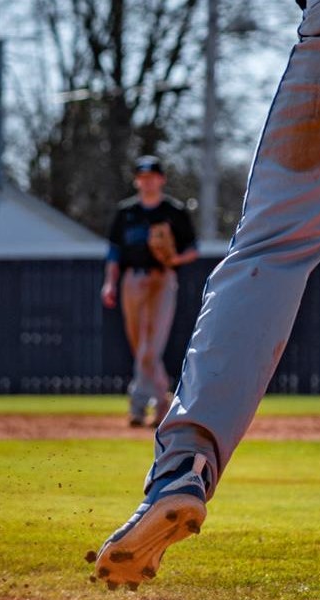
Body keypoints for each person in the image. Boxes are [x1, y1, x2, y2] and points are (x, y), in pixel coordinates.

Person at [90, 0, 320, 589]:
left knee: (270, 253)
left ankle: (184, 465)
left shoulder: (168, 210)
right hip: (132, 282)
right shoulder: (127, 212)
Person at [101, 156, 201, 428]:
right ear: (137, 181)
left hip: (162, 278)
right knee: (139, 344)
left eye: (152, 177)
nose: (147, 182)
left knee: (150, 346)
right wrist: (110, 283)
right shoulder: (126, 212)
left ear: (161, 179)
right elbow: (114, 253)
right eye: (143, 177)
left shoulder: (174, 211)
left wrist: (175, 259)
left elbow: (193, 249)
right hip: (132, 279)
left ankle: (137, 405)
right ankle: (163, 401)